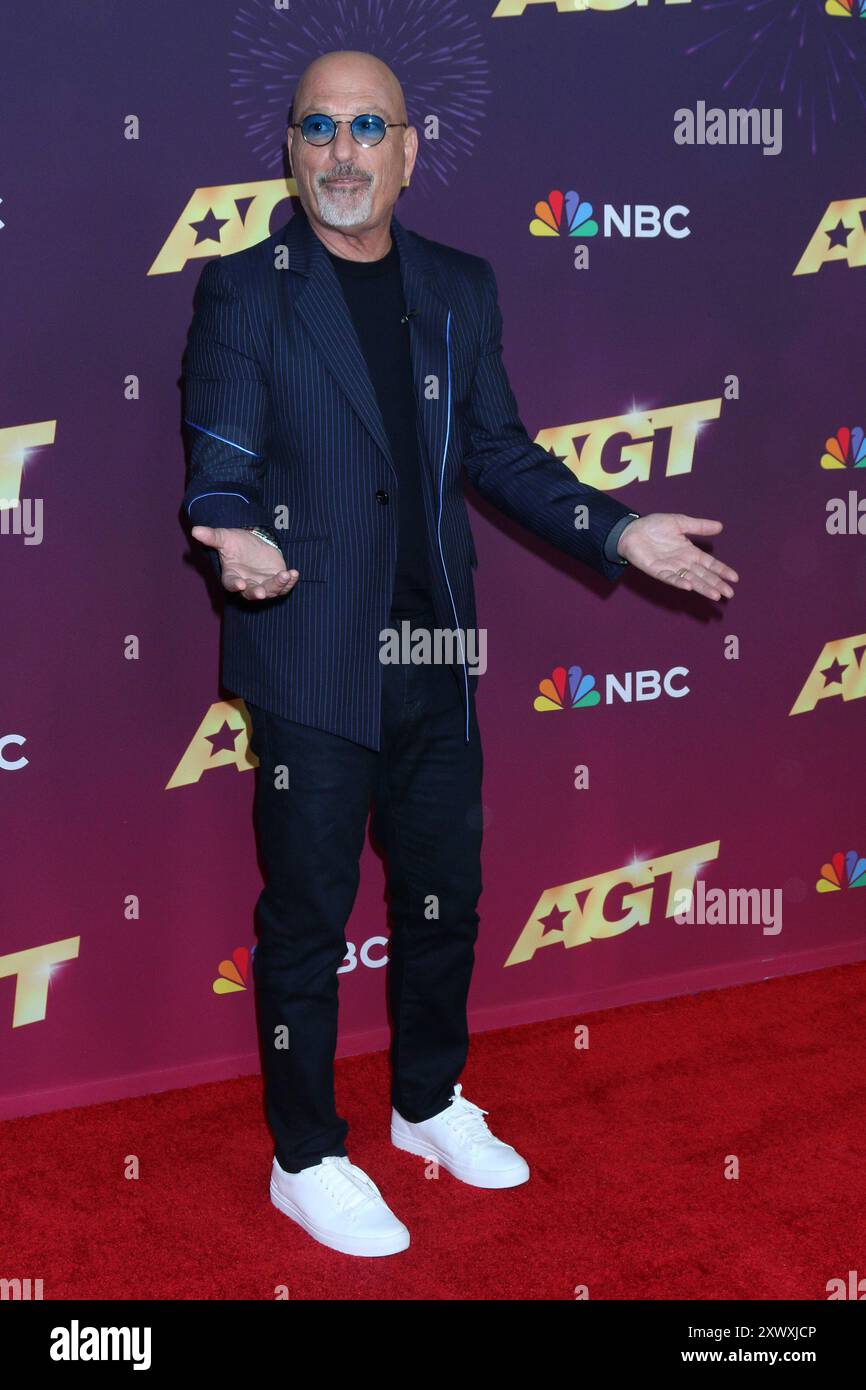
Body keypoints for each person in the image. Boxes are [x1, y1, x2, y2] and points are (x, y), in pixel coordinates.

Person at [181, 49, 739, 1259]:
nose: (342, 152)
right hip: (309, 646)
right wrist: (227, 524)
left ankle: (427, 1101)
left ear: (407, 150)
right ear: (290, 148)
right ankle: (305, 1155)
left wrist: (617, 524)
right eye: (318, 128)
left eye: (365, 127)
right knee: (308, 916)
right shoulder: (245, 287)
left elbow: (497, 451)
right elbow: (220, 440)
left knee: (445, 901)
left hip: (435, 644)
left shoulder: (459, 287)